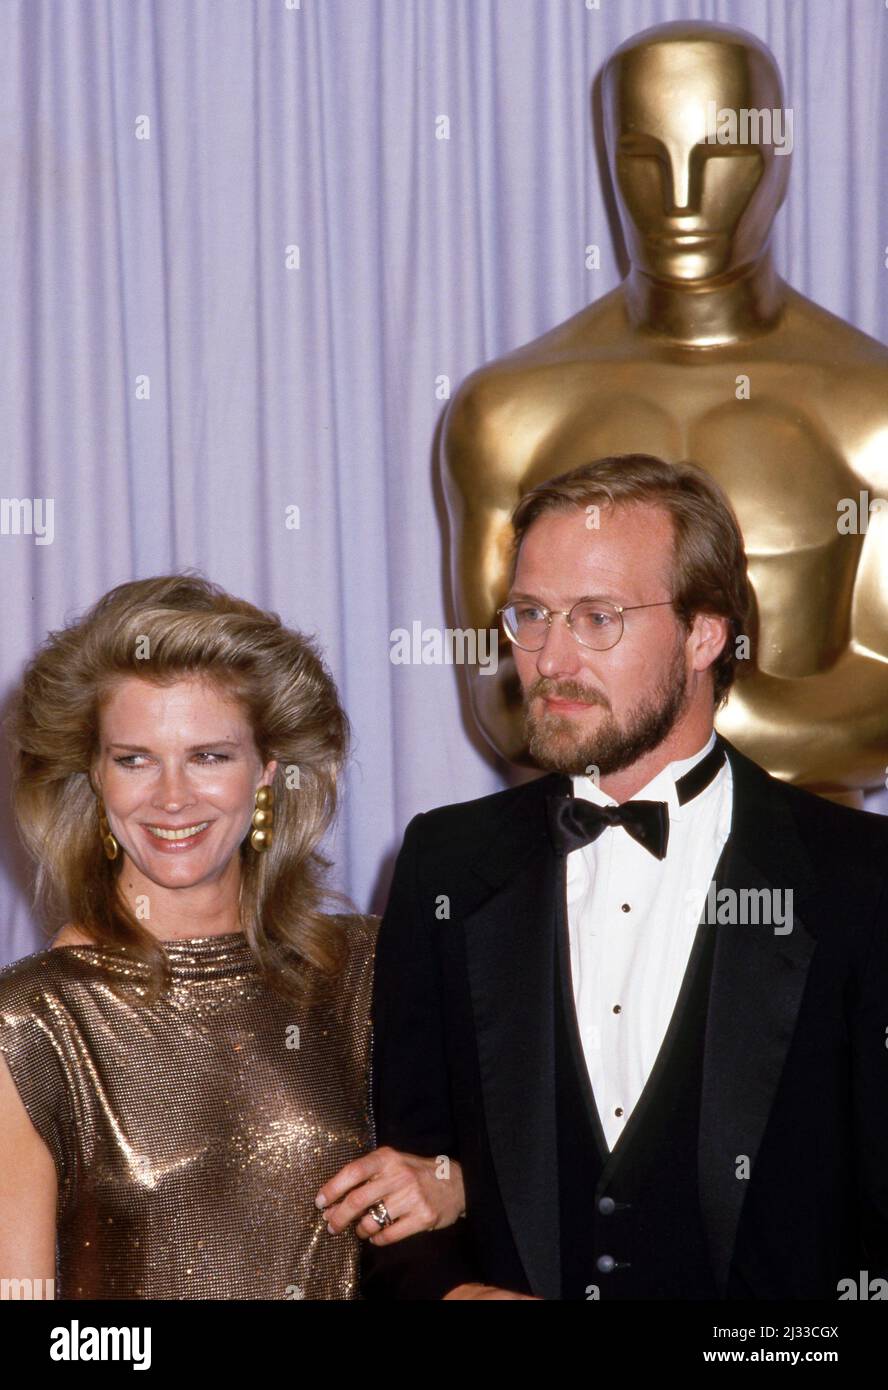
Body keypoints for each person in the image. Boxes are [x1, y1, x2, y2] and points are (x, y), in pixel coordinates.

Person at [362, 454, 888, 1300]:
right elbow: (399, 1183)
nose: (550, 659)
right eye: (531, 615)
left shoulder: (862, 880)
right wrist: (447, 1293)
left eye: (597, 618)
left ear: (704, 634)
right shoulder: (444, 862)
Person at [0, 574, 464, 1300]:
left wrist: (454, 1187)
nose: (172, 797)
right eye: (134, 759)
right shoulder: (33, 1022)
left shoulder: (369, 970)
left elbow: (539, 1179)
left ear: (267, 771)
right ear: (93, 775)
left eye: (210, 756)